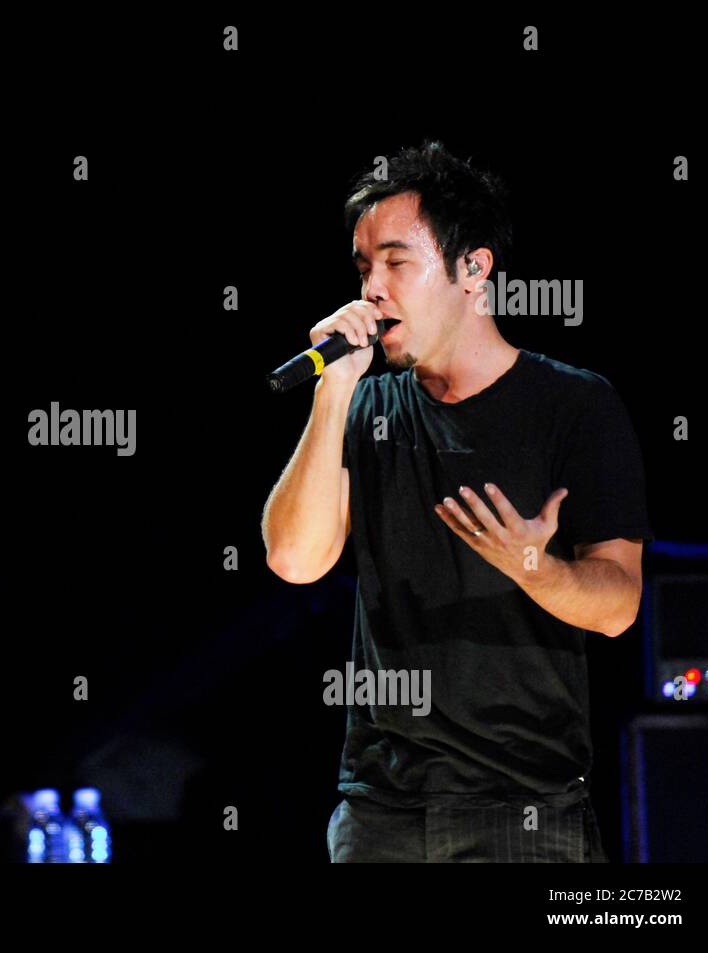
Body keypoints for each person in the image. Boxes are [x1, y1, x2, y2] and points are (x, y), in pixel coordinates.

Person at [261, 141, 651, 862]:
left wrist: (538, 569)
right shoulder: (365, 406)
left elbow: (620, 602)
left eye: (397, 261)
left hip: (527, 811)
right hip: (380, 812)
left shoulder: (576, 405)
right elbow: (294, 558)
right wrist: (335, 387)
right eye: (363, 267)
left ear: (473, 270)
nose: (372, 287)